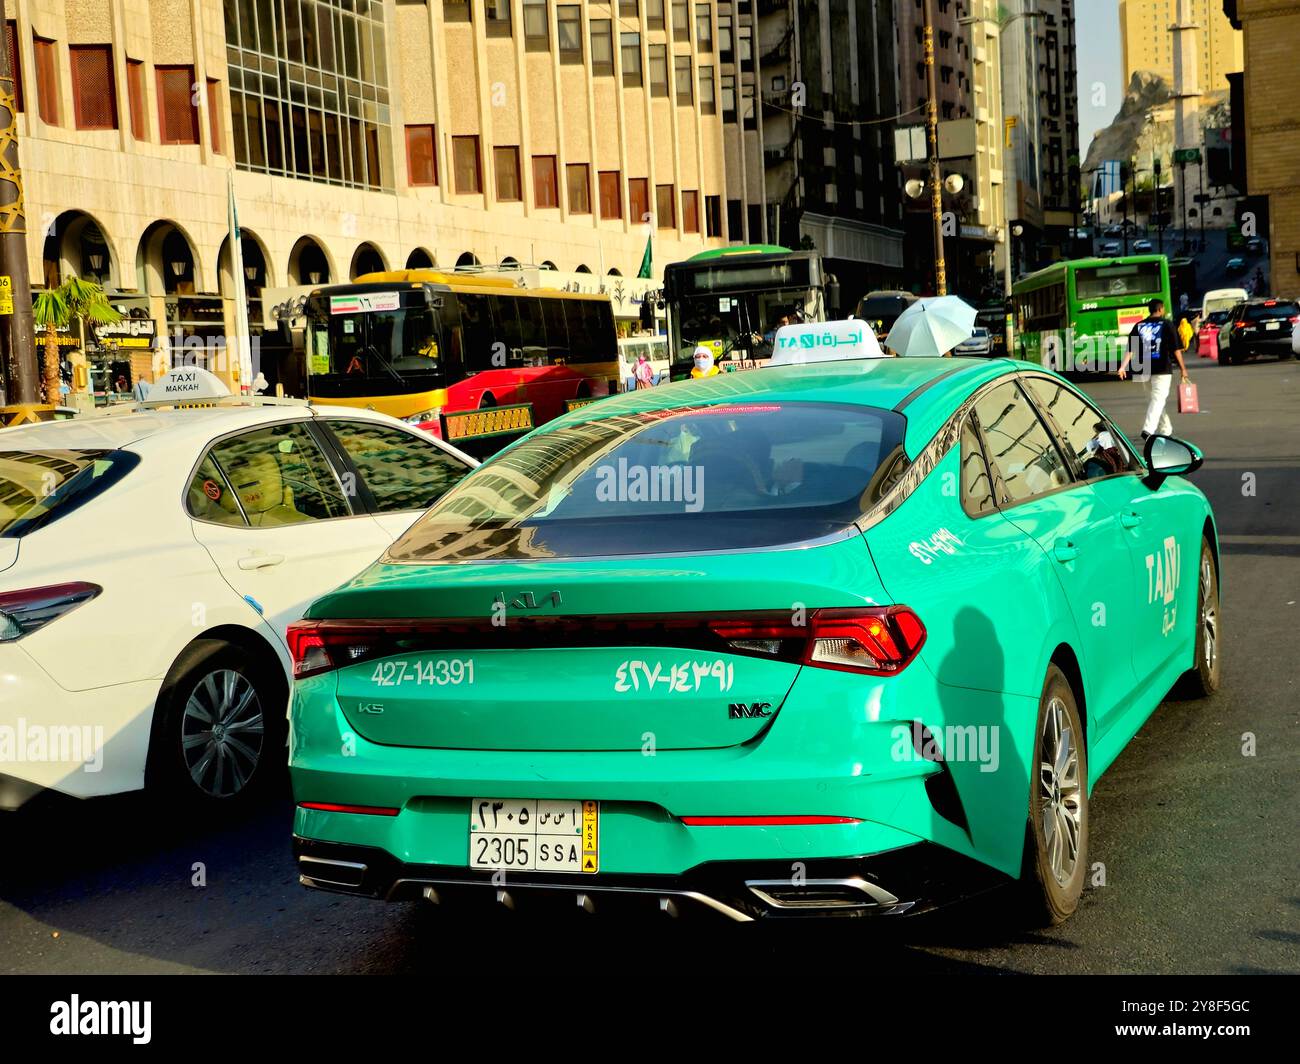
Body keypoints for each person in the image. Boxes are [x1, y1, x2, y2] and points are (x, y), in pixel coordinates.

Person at [1117, 297, 1189, 440]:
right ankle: (1148, 429)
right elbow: (1176, 350)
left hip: (1143, 369)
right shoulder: (1167, 324)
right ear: (1161, 309)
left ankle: (1166, 430)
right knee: (1157, 399)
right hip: (1162, 368)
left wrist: (1122, 366)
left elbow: (1130, 349)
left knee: (1155, 400)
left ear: (1149, 310)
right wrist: (1183, 369)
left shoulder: (1139, 325)